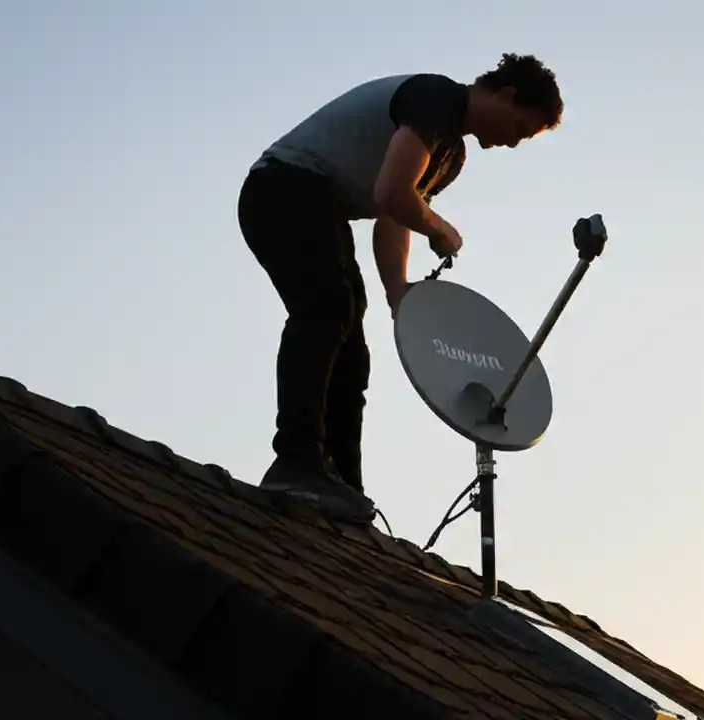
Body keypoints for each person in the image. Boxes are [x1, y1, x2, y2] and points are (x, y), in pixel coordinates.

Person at [237, 53, 563, 524]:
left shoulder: (451, 155)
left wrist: (398, 297)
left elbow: (393, 217)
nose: (513, 143)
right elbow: (394, 192)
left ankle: (342, 484)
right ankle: (296, 460)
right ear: (506, 95)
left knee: (351, 346)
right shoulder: (436, 99)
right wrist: (436, 227)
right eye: (521, 128)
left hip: (319, 207)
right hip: (282, 190)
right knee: (327, 308)